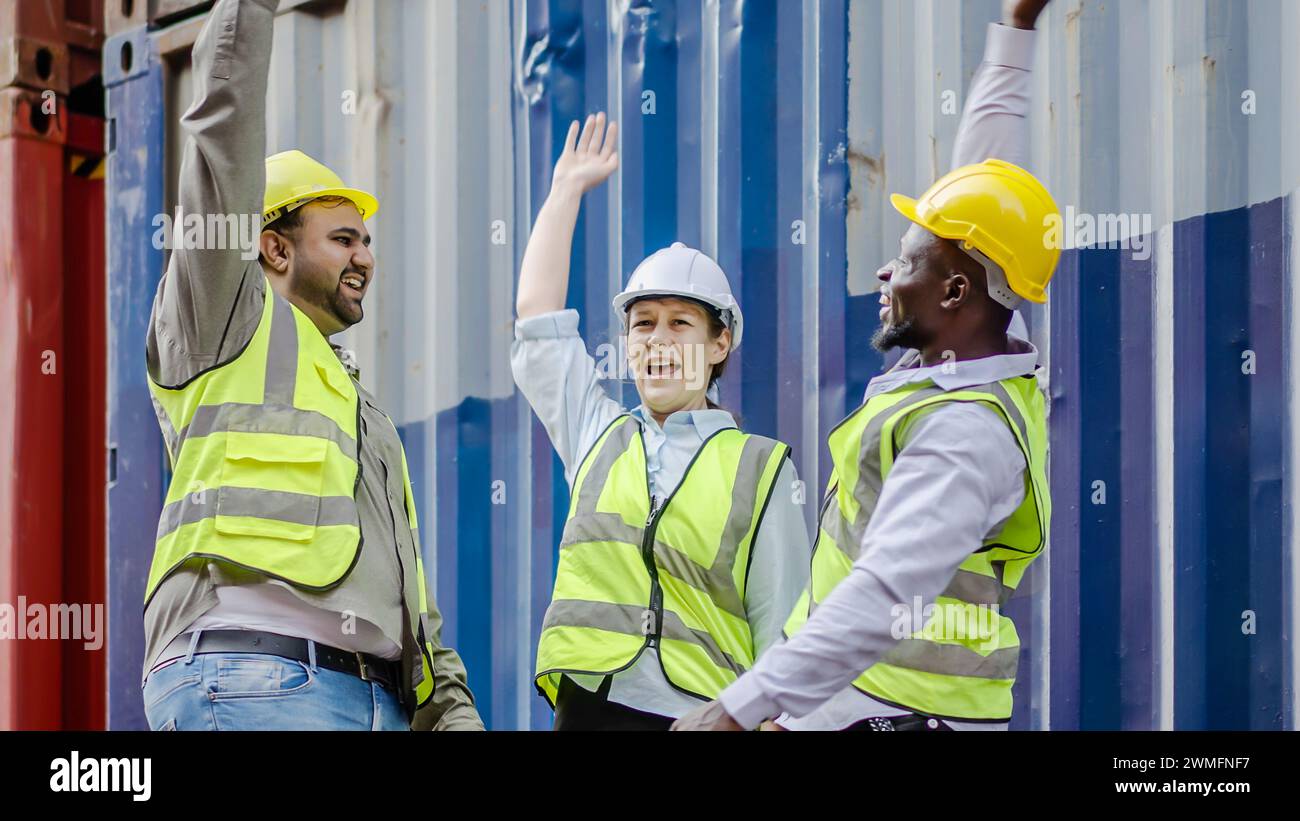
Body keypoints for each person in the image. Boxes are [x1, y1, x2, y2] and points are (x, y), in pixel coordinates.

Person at [672, 0, 1057, 732]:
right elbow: (984, 175)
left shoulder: (963, 436)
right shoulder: (983, 344)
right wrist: (1016, 30)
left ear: (952, 290)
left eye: (907, 260)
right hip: (866, 708)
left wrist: (736, 709)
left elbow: (883, 592)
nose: (886, 273)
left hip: (910, 716)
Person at [140, 0, 481, 731]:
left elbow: (415, 612)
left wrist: (453, 716)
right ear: (273, 247)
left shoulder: (368, 420)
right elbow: (221, 139)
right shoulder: (221, 326)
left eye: (367, 241)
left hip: (368, 700)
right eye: (344, 238)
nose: (366, 257)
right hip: (257, 679)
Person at [512, 113, 811, 729]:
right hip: (590, 706)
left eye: (681, 323)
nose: (659, 339)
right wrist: (564, 192)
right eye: (643, 323)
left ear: (720, 343)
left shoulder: (761, 468)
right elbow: (537, 318)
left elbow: (784, 623)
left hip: (700, 716)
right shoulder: (596, 431)